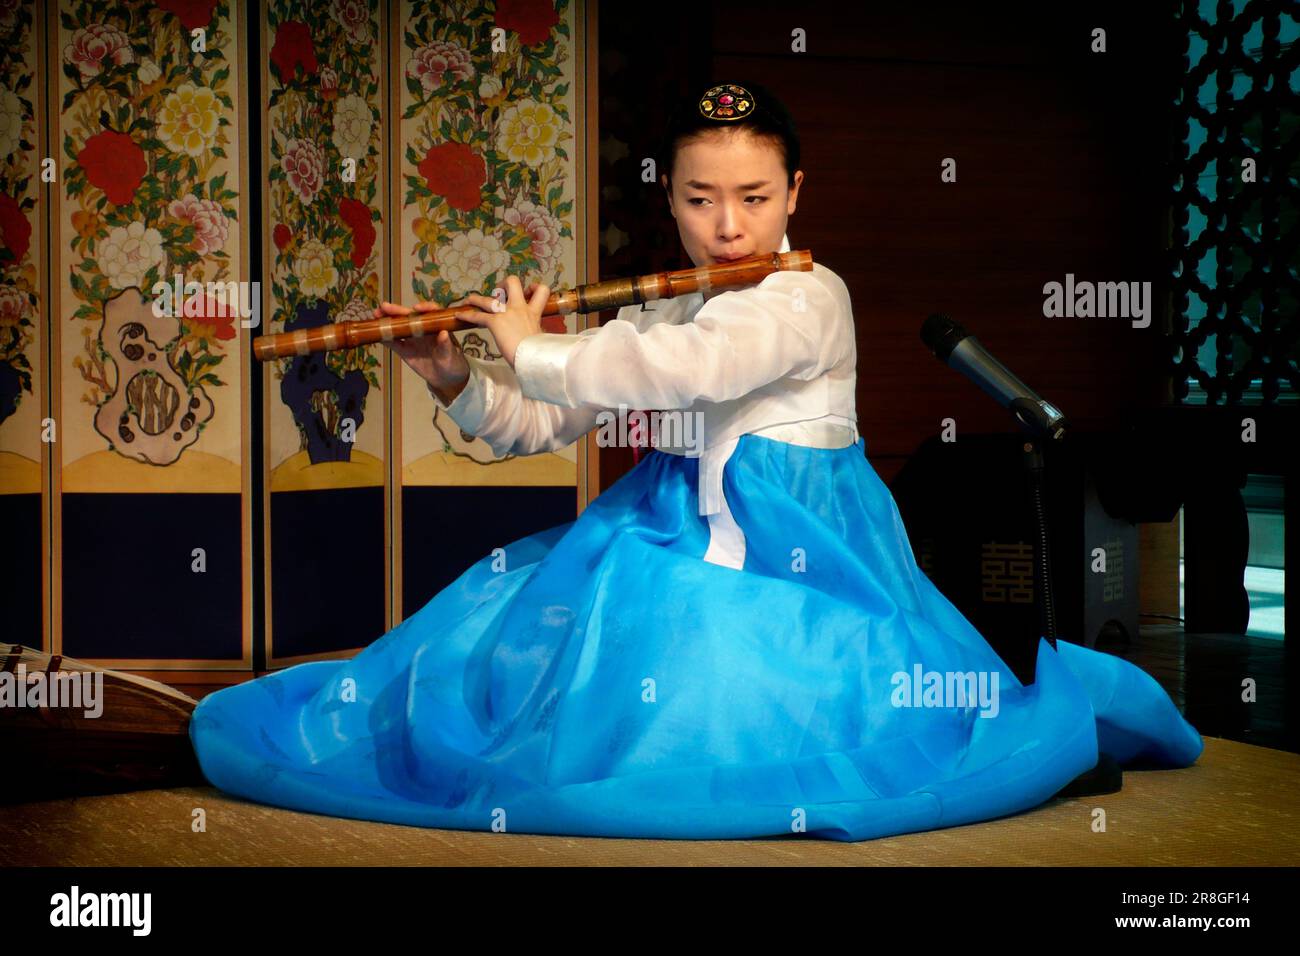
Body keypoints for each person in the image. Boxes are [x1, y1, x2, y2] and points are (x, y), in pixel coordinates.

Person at [189, 82, 1201, 841]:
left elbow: (690, 369)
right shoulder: (663, 298)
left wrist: (536, 344)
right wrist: (458, 371)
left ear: (795, 189)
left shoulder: (808, 295)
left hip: (798, 549)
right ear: (666, 195)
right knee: (492, 649)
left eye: (754, 196)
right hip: (657, 524)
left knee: (716, 683)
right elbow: (542, 424)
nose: (727, 226)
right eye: (699, 198)